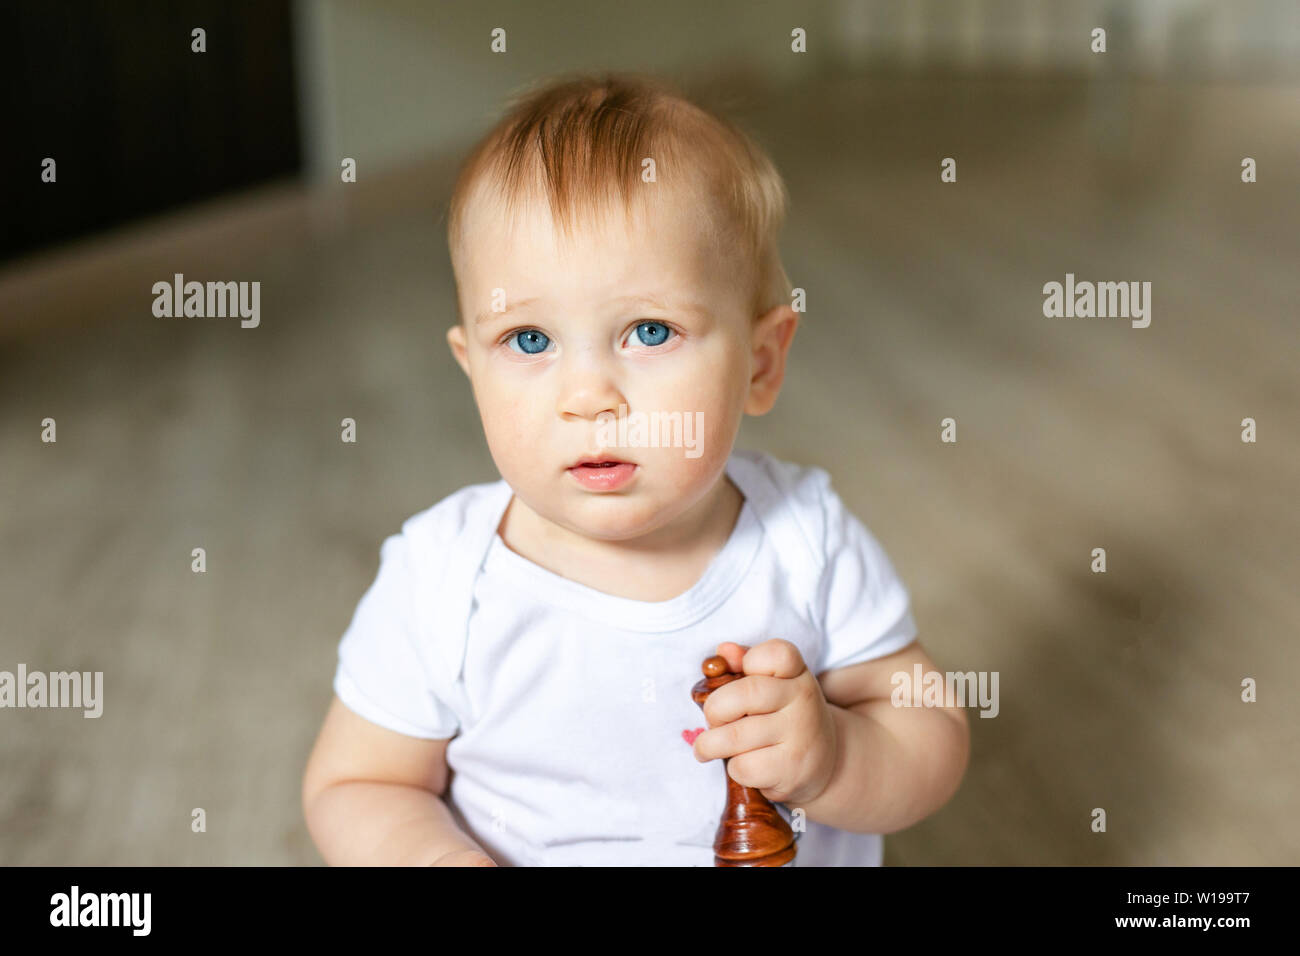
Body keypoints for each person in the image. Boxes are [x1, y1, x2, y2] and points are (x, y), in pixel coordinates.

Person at [302, 71, 969, 866]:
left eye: (649, 332)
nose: (589, 398)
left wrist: (836, 758)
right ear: (470, 365)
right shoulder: (442, 580)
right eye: (528, 340)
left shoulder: (806, 542)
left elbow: (928, 729)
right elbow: (358, 786)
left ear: (761, 362)